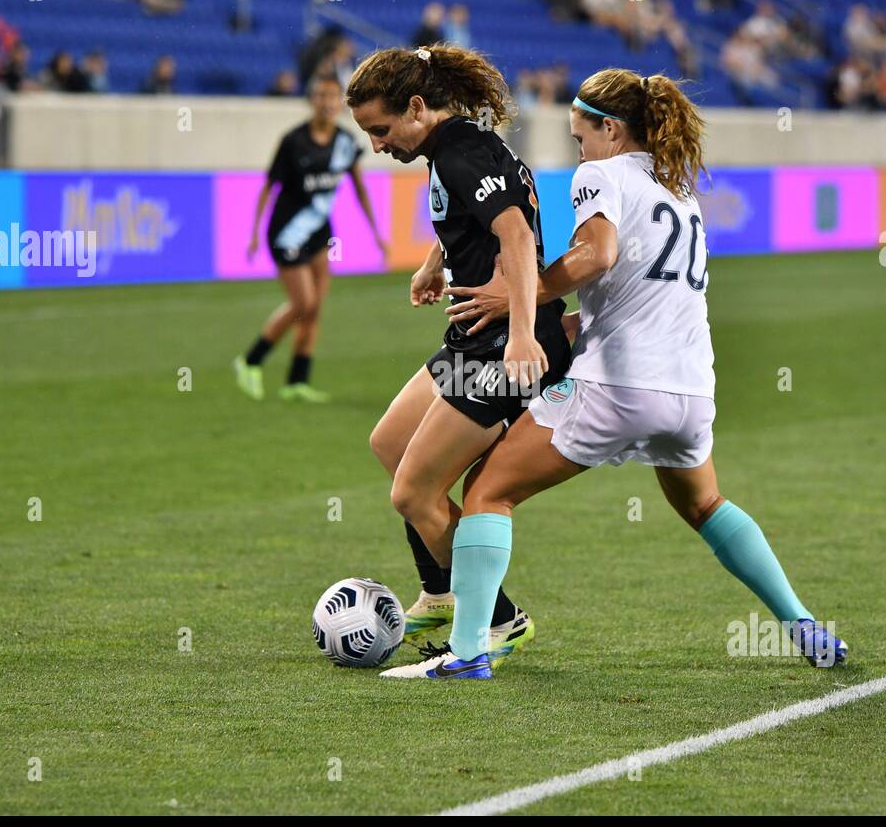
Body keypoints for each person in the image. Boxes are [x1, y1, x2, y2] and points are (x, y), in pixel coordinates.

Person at [381, 68, 847, 679]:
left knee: (487, 494)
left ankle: (470, 651)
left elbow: (597, 256)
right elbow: (628, 300)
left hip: (617, 388)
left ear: (611, 130)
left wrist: (519, 297)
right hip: (689, 392)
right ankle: (801, 622)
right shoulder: (677, 189)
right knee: (706, 503)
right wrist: (551, 318)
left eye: (582, 138)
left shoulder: (600, 175)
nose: (580, 150)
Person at [345, 43, 572, 658]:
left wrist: (524, 333)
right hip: (476, 334)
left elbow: (519, 236)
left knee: (413, 493)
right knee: (389, 444)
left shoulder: (465, 153)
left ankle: (498, 620)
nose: (377, 144)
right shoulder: (448, 145)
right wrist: (432, 261)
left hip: (505, 344)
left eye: (380, 129)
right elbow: (470, 219)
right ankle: (442, 593)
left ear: (417, 107)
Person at [234, 73, 385, 403]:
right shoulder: (293, 141)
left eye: (333, 96)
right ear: (311, 99)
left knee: (315, 308)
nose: (327, 102)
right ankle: (250, 360)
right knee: (303, 303)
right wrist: (254, 234)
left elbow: (359, 189)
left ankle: (296, 381)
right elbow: (269, 186)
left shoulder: (345, 142)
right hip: (287, 232)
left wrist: (375, 231)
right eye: (320, 95)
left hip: (320, 233)